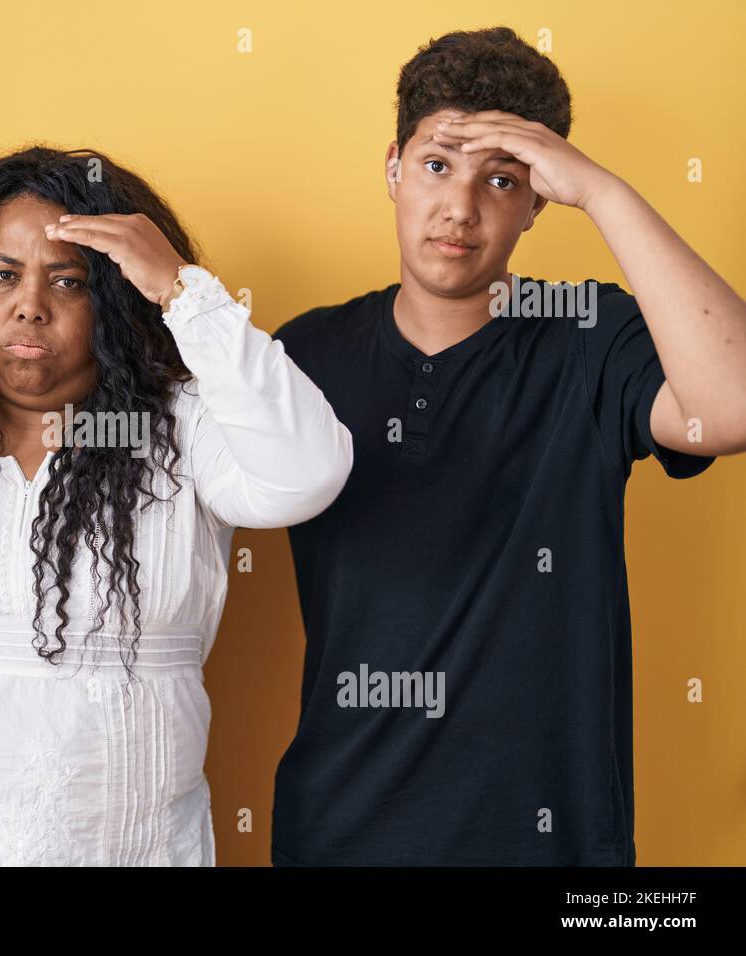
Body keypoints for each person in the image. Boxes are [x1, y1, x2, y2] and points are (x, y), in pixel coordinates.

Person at [272, 27, 746, 865]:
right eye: (437, 165)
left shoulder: (588, 335)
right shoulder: (302, 355)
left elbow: (732, 406)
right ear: (393, 167)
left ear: (537, 203)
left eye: (501, 180)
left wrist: (601, 191)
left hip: (556, 842)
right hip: (339, 833)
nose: (461, 208)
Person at [0, 146, 353, 865]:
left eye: (68, 280)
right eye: (2, 276)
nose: (30, 305)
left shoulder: (182, 426)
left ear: (114, 297)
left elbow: (308, 473)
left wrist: (182, 290)